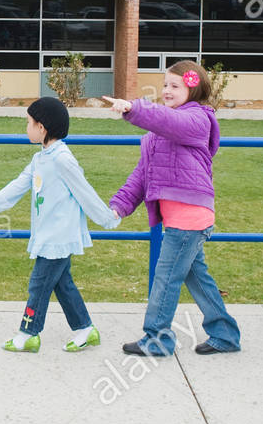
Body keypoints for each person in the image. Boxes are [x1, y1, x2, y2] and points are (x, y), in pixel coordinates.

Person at [103, 60, 241, 357]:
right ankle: (225, 334)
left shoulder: (197, 120)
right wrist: (119, 205)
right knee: (197, 277)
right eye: (165, 85)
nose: (166, 90)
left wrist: (132, 108)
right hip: (180, 218)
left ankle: (157, 339)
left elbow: (169, 122)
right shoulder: (158, 133)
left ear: (193, 89)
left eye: (175, 86)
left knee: (166, 278)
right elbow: (142, 174)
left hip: (189, 217)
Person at [0, 97, 119, 354]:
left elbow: (84, 192)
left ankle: (28, 333)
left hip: (59, 236)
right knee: (63, 285)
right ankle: (86, 329)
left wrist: (108, 218)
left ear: (41, 127)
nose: (26, 127)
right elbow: (18, 186)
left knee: (39, 284)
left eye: (29, 122)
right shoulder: (40, 159)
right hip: (47, 234)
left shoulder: (63, 159)